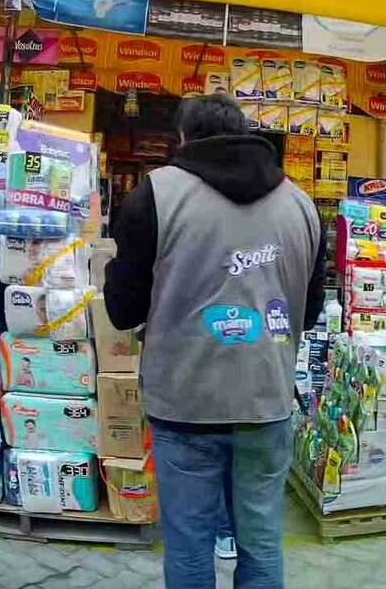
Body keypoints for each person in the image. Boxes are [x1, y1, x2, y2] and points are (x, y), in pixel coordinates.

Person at [104, 94, 326, 589]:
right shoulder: (302, 205)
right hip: (265, 399)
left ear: (183, 139)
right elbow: (308, 314)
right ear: (244, 133)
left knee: (189, 543)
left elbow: (122, 311)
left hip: (184, 402)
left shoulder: (155, 195)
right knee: (262, 539)